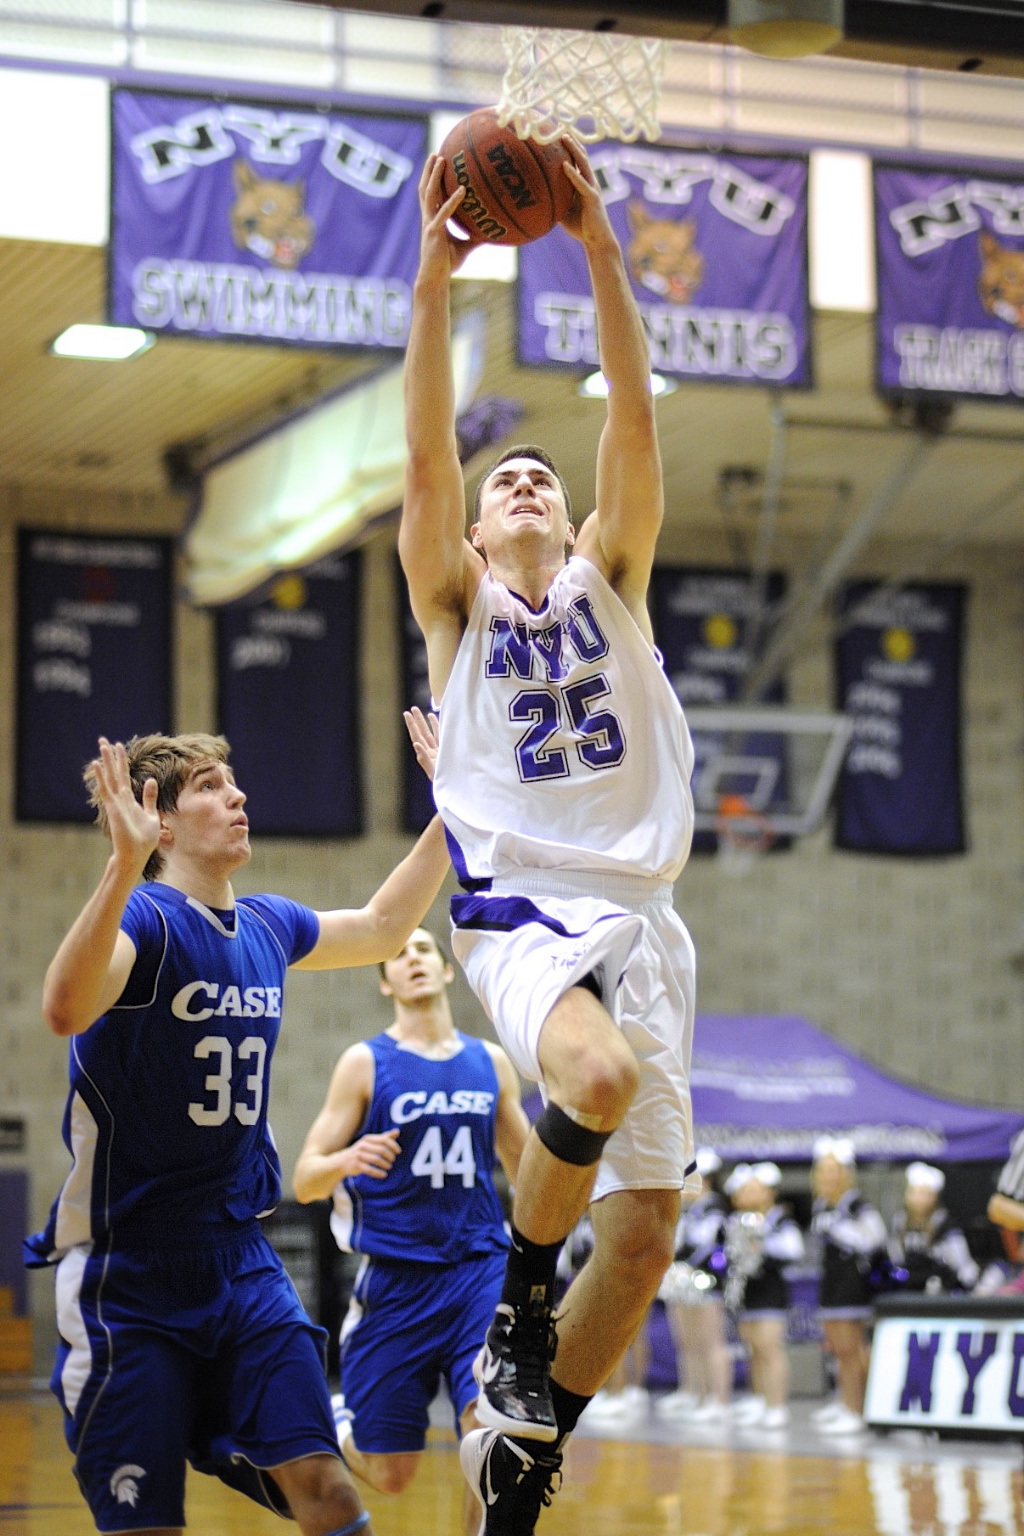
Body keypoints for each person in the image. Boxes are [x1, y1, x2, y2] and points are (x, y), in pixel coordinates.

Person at [401, 137, 697, 1533]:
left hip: (648, 910)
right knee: (591, 1070)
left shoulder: (611, 576)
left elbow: (633, 413)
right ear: (461, 542)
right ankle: (515, 1323)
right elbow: (423, 461)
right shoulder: (458, 617)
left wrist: (596, 246)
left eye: (540, 476)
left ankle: (518, 1462)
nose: (522, 485)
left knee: (643, 1238)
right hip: (520, 900)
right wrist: (431, 281)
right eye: (498, 482)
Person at [25, 732, 451, 1536]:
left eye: (235, 783)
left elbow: (384, 926)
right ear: (161, 822)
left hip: (243, 1265)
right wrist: (122, 866)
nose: (238, 798)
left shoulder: (268, 925)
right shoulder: (145, 922)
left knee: (327, 1489)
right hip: (131, 1271)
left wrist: (450, 809)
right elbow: (63, 1007)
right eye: (211, 788)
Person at [291, 926, 530, 1536]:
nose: (414, 960)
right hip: (395, 1282)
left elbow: (528, 1168)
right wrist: (345, 1161)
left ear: (447, 971)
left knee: (489, 1423)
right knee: (393, 1474)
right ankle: (341, 1419)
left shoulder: (491, 1061)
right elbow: (305, 1179)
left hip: (479, 1267)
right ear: (384, 981)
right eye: (400, 954)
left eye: (424, 949)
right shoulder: (366, 1062)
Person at [810, 1136, 887, 1436]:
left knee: (852, 1350)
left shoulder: (855, 1203)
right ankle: (846, 1403)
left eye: (834, 1169)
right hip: (831, 1283)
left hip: (851, 1286)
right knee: (839, 1352)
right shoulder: (821, 1204)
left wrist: (840, 1230)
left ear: (845, 1173)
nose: (829, 1176)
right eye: (823, 1170)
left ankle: (858, 1410)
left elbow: (874, 1238)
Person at [722, 1162, 804, 1430]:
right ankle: (760, 1399)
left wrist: (762, 1243)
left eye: (754, 1189)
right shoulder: (738, 1220)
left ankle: (777, 1405)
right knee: (754, 1350)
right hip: (748, 1292)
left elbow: (793, 1249)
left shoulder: (779, 1220)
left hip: (771, 1293)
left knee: (770, 1349)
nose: (747, 1195)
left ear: (768, 1193)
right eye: (745, 1190)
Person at [656, 1147, 730, 1424]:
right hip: (683, 1280)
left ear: (704, 1179)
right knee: (688, 1342)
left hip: (706, 1282)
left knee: (710, 1342)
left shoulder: (713, 1208)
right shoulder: (690, 1210)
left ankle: (718, 1399)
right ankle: (694, 1393)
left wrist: (685, 1264)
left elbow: (707, 1246)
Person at [888, 1162, 979, 1295]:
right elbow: (894, 1258)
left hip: (941, 1294)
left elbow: (963, 1266)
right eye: (914, 1192)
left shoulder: (945, 1225)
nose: (918, 1199)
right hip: (908, 1291)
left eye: (925, 1193)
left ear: (935, 1197)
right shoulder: (899, 1222)